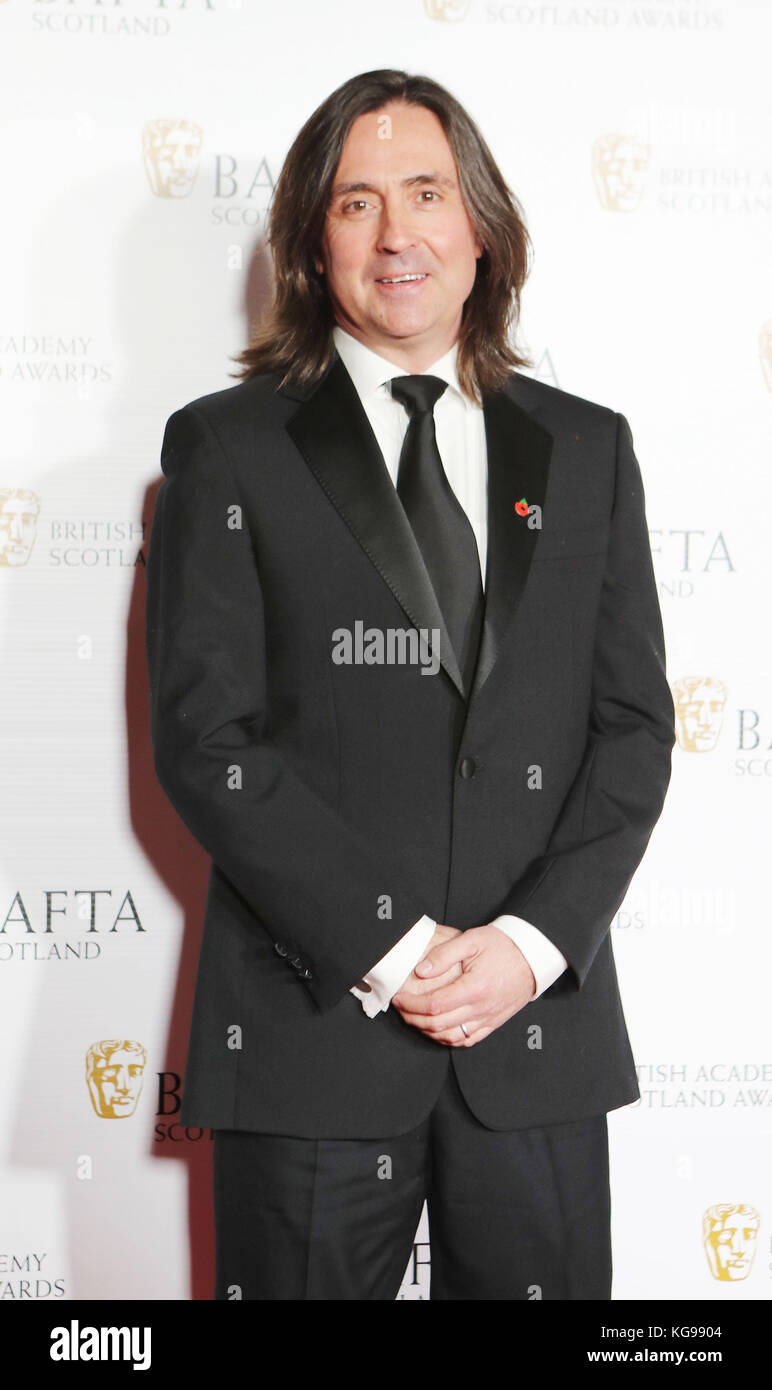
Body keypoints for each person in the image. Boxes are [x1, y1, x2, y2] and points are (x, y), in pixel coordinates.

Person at [145, 68, 675, 1301]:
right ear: (308, 244)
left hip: (534, 1042)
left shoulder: (587, 448)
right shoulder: (227, 445)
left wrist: (531, 946)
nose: (397, 234)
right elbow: (204, 736)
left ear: (478, 225)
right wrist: (392, 946)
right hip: (311, 1035)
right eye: (355, 203)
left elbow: (633, 728)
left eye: (427, 192)